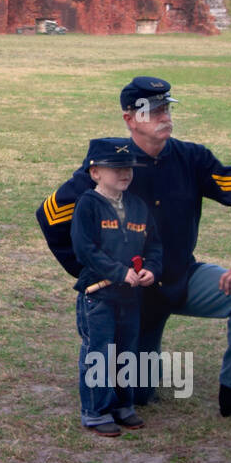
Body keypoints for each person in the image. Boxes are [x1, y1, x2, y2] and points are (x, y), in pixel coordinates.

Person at [36, 77, 231, 426]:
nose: (164, 116)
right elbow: (51, 215)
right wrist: (96, 273)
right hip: (132, 298)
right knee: (138, 395)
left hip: (180, 278)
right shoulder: (108, 166)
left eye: (166, 108)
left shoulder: (193, 158)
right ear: (129, 119)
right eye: (152, 110)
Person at [70, 138, 163, 437]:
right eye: (116, 168)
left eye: (128, 168)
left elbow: (155, 245)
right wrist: (119, 271)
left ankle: (124, 405)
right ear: (95, 172)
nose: (124, 174)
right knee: (99, 352)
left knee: (127, 351)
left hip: (130, 296)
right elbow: (85, 250)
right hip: (99, 296)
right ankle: (96, 411)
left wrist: (151, 268)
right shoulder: (88, 204)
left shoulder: (138, 206)